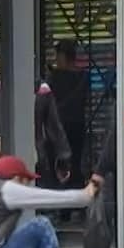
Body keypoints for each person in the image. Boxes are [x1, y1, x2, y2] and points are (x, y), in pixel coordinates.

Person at [48, 39, 89, 221]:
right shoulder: (81, 77)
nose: (56, 59)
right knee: (74, 165)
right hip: (75, 126)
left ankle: (65, 206)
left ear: (64, 56)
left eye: (58, 56)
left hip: (62, 127)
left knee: (62, 167)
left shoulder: (57, 78)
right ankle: (77, 204)